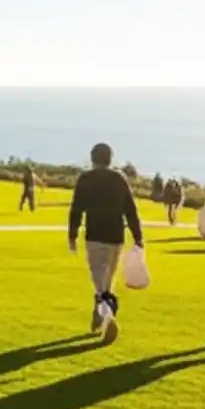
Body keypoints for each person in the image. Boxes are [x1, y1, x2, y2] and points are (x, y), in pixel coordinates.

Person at [68, 142, 143, 346]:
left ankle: (108, 315)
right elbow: (131, 209)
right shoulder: (119, 179)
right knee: (106, 280)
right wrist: (138, 236)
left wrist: (72, 235)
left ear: (93, 158)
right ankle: (100, 311)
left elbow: (76, 209)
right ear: (110, 158)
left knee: (99, 281)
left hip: (94, 236)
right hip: (115, 236)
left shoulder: (86, 179)